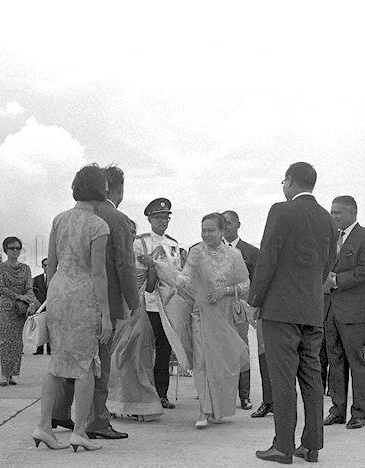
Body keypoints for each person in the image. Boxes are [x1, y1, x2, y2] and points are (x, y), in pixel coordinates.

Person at [251, 162, 337, 465]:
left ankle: (282, 446)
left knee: (283, 377)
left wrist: (255, 300)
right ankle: (311, 446)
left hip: (280, 308)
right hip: (312, 309)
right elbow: (329, 263)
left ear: (289, 182)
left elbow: (268, 256)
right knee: (312, 377)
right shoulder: (327, 219)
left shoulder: (281, 210)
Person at [54, 164, 139, 438]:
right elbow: (125, 266)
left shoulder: (67, 217)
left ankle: (60, 412)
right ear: (117, 188)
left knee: (70, 358)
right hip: (103, 302)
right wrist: (134, 303)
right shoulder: (115, 219)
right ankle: (97, 421)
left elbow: (54, 262)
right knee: (99, 363)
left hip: (66, 296)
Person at [33, 165, 112, 452]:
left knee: (56, 364)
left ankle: (43, 426)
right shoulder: (97, 225)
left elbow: (51, 265)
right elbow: (98, 272)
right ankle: (80, 431)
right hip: (83, 296)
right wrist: (105, 313)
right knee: (86, 364)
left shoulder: (59, 220)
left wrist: (50, 297)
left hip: (57, 292)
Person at [166, 213, 250, 428]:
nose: (206, 234)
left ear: (222, 232)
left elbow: (246, 284)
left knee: (222, 365)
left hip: (224, 317)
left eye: (211, 230)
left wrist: (226, 291)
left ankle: (218, 409)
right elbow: (187, 274)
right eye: (203, 230)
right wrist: (177, 285)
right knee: (202, 361)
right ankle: (203, 409)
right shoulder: (197, 252)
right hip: (201, 314)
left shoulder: (234, 255)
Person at [323, 196, 365, 430]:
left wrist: (335, 280)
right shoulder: (329, 238)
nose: (333, 216)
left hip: (354, 311)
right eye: (332, 212)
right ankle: (338, 409)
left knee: (356, 362)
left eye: (338, 213)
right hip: (329, 310)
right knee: (334, 361)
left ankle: (359, 412)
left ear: (353, 213)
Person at [133, 198, 185, 409]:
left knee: (164, 349)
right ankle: (143, 391)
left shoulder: (173, 244)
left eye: (166, 217)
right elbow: (139, 275)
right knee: (144, 348)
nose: (163, 221)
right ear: (150, 219)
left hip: (167, 303)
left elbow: (176, 274)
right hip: (146, 302)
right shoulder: (140, 242)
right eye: (158, 217)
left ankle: (161, 392)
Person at [222, 209, 261, 412]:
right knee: (220, 351)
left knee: (241, 351)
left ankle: (244, 395)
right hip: (217, 309)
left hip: (240, 309)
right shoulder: (211, 250)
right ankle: (222, 395)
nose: (226, 226)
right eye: (223, 223)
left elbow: (256, 282)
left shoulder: (251, 252)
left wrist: (252, 307)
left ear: (238, 224)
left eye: (229, 223)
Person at [0, 237, 38, 386]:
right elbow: (1, 288)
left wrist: (30, 302)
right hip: (6, 307)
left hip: (21, 308)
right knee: (6, 341)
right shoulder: (0, 268)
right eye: (12, 248)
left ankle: (13, 373)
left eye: (18, 248)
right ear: (6, 250)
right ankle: (4, 374)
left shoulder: (25, 268)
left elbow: (29, 287)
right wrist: (18, 296)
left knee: (18, 342)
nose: (15, 251)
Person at [32, 258, 51, 355]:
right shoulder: (37, 279)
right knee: (40, 328)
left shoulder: (55, 278)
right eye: (45, 265)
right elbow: (33, 293)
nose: (47, 267)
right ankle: (39, 350)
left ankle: (50, 350)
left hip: (52, 306)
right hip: (40, 307)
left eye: (49, 264)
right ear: (42, 266)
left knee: (50, 329)